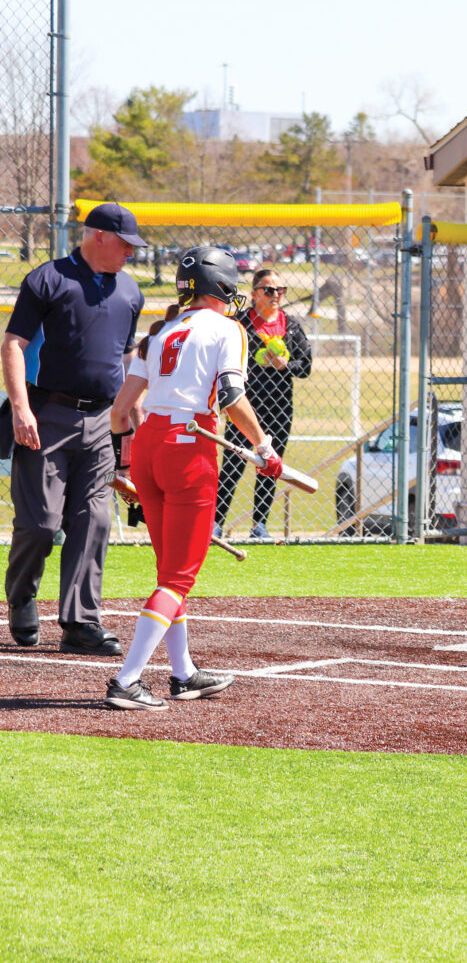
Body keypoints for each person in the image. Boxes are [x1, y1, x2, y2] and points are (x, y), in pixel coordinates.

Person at [102, 247, 285, 710]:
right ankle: (127, 680)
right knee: (178, 580)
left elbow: (121, 411)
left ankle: (183, 674)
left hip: (148, 447)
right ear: (221, 286)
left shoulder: (160, 330)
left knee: (169, 572)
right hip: (191, 447)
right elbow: (231, 397)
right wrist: (264, 447)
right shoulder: (228, 329)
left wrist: (125, 466)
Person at [2, 203, 147, 653]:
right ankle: (22, 594)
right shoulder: (47, 279)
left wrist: (132, 433)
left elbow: (125, 363)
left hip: (102, 420)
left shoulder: (130, 292)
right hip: (47, 415)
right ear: (98, 236)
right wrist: (20, 410)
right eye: (125, 244)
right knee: (42, 524)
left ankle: (80, 622)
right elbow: (12, 344)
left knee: (94, 519)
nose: (131, 253)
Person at [213, 268, 312, 540]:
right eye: (269, 290)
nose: (276, 295)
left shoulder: (290, 325)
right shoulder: (240, 324)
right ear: (255, 294)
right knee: (232, 465)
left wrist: (285, 365)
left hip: (280, 408)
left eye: (280, 290)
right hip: (244, 406)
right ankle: (216, 523)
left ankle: (259, 526)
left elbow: (306, 366)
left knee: (270, 466)